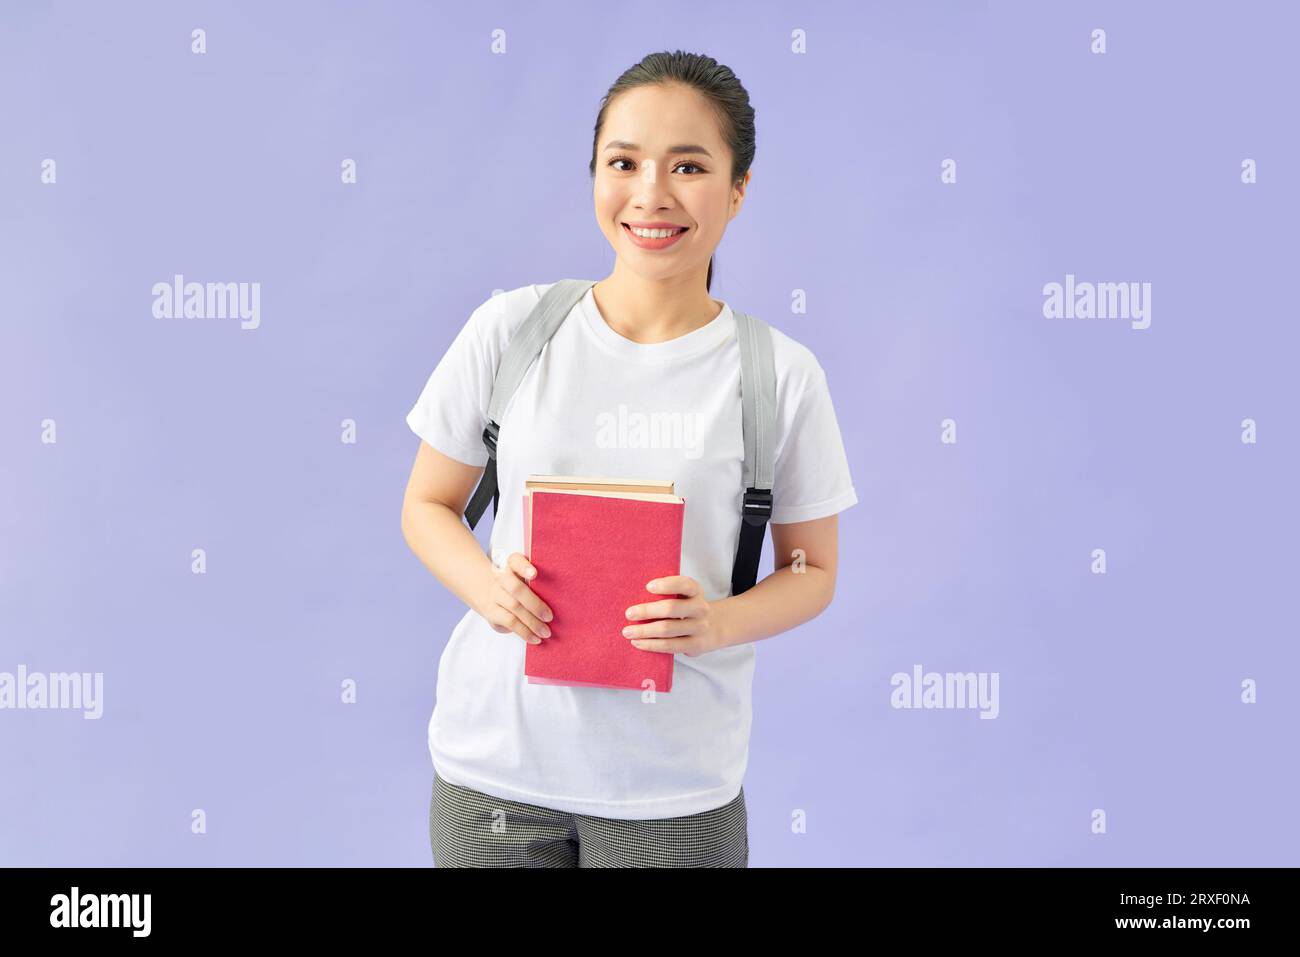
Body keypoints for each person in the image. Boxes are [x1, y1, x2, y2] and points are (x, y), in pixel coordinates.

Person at [401, 50, 857, 867]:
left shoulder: (778, 375)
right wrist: (489, 590)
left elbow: (812, 568)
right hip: (492, 774)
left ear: (739, 189)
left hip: (672, 790)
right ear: (595, 177)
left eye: (689, 165)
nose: (652, 193)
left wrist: (717, 621)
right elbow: (428, 505)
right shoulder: (511, 329)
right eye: (625, 162)